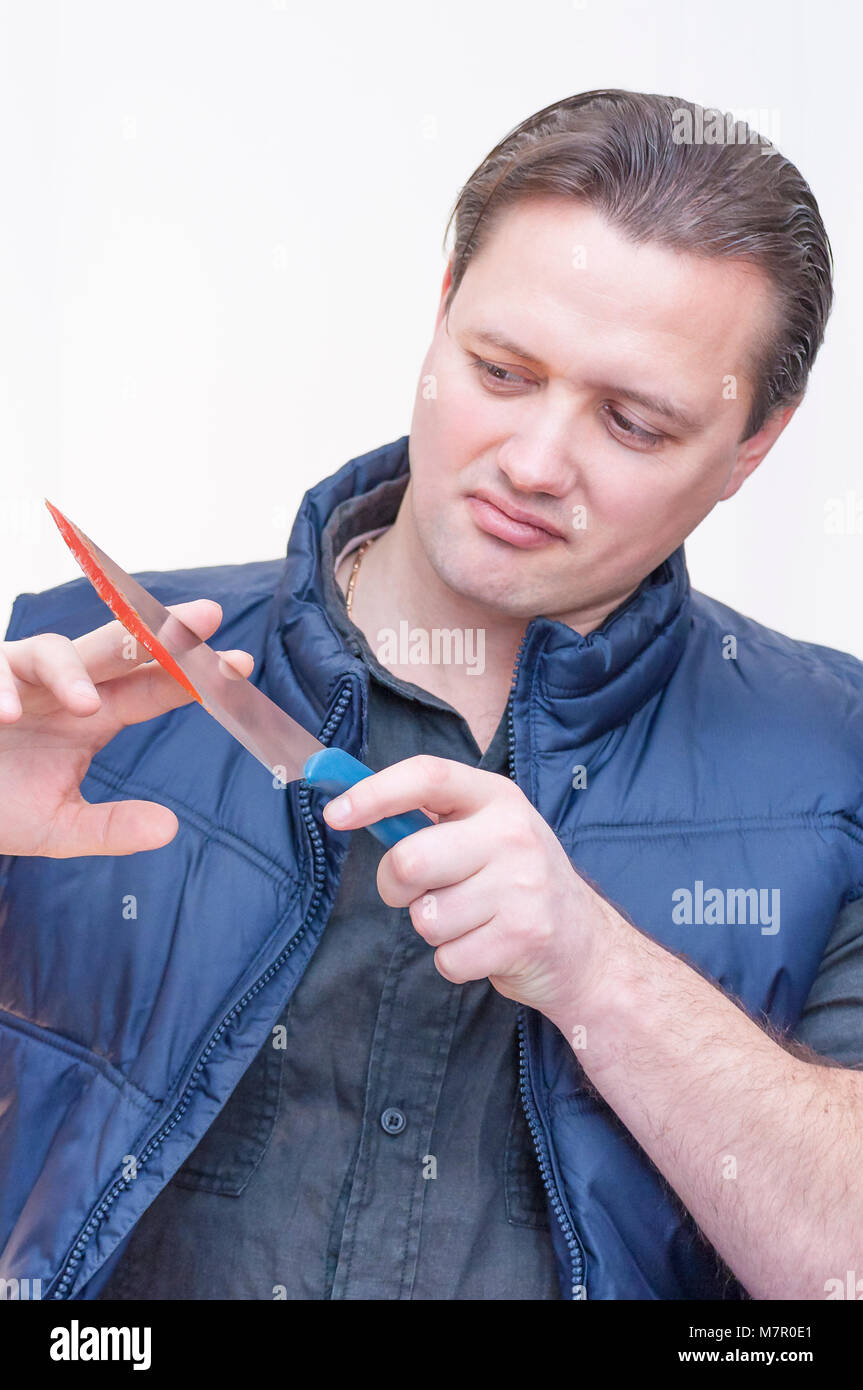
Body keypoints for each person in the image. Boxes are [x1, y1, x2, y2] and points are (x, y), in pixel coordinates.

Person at [1, 88, 861, 1302]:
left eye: (632, 421)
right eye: (500, 370)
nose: (533, 461)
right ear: (441, 303)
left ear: (753, 444)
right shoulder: (67, 670)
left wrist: (597, 972)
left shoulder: (843, 761)